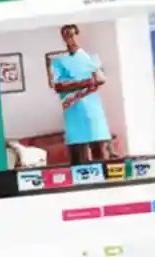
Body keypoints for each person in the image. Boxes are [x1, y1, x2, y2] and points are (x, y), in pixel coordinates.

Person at [51, 24, 112, 164]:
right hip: (73, 111)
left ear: (78, 35)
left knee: (101, 155)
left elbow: (100, 79)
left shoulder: (91, 58)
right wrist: (87, 82)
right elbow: (58, 86)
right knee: (78, 158)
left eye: (72, 35)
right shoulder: (59, 61)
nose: (69, 39)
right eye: (65, 36)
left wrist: (74, 84)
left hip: (93, 112)